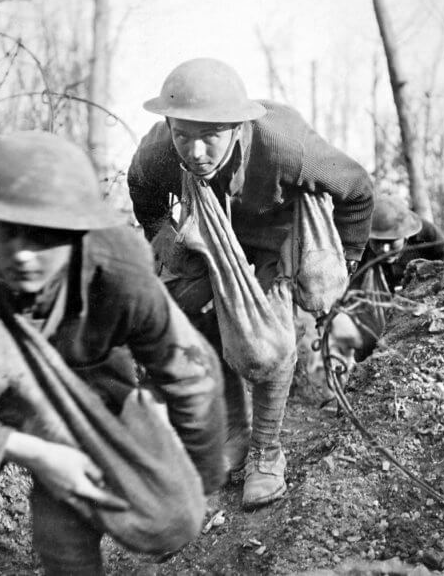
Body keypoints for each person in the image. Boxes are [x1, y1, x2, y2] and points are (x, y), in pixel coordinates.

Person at [0, 131, 227, 575]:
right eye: (8, 233)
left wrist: (196, 482)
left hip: (77, 398)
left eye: (46, 236)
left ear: (78, 235)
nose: (25, 254)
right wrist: (28, 451)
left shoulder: (120, 268)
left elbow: (189, 372)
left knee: (69, 547)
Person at [127, 58, 373, 508]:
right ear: (169, 124)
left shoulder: (285, 147)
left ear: (237, 127)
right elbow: (143, 191)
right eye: (183, 135)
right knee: (183, 311)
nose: (194, 152)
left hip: (278, 234)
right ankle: (235, 432)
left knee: (265, 341)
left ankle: (266, 452)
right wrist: (164, 238)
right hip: (213, 230)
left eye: (210, 138)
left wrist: (345, 260)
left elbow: (357, 190)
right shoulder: (161, 148)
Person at [332, 194, 444, 361]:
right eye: (378, 242)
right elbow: (352, 285)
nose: (385, 249)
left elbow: (441, 255)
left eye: (392, 242)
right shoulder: (359, 245)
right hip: (378, 295)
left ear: (406, 236)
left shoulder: (428, 236)